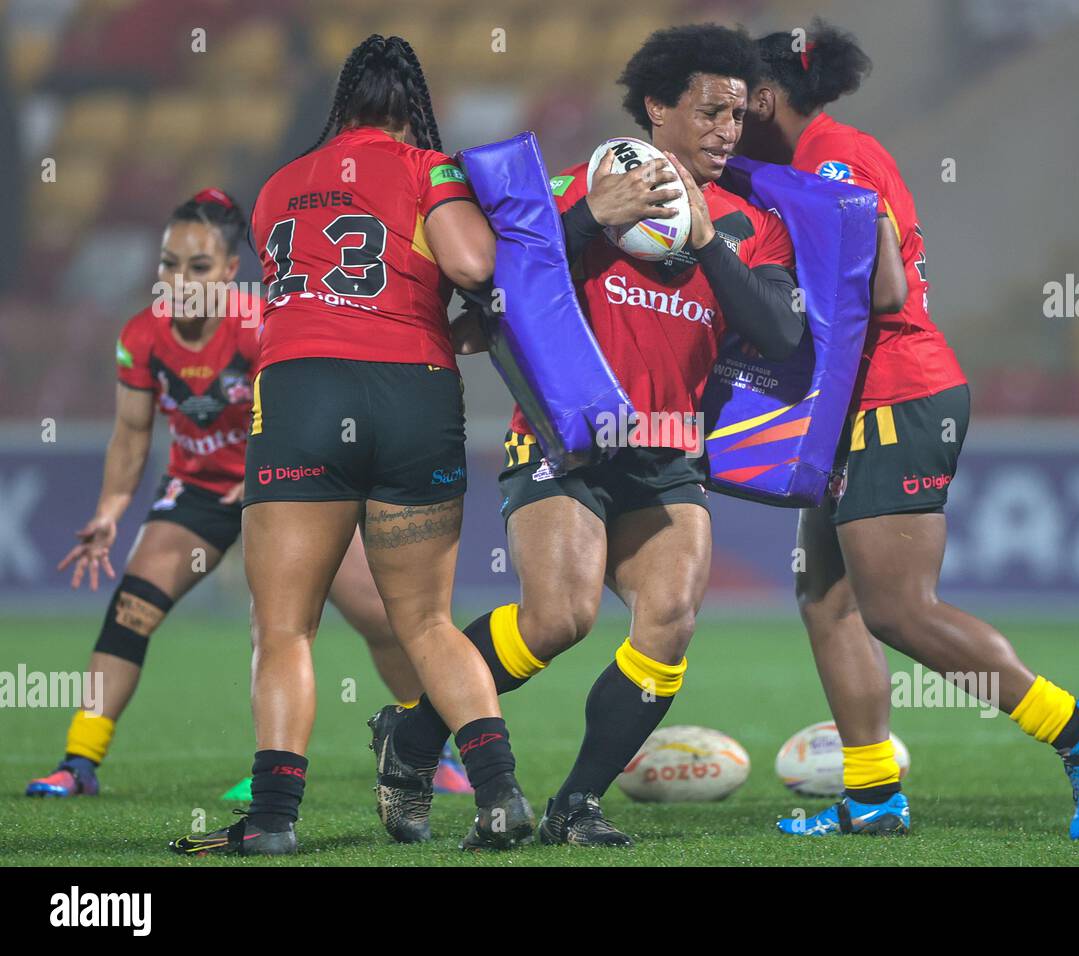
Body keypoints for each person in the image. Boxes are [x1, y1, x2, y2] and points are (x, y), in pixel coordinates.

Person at [374, 23, 805, 847]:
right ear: (656, 106)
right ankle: (416, 732)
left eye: (740, 116)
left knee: (670, 614)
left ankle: (576, 806)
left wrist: (711, 242)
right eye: (710, 110)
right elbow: (494, 283)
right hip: (562, 439)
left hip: (669, 449)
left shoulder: (754, 221)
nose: (727, 130)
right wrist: (586, 221)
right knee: (558, 617)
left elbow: (779, 335)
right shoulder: (576, 184)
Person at [738, 20, 1079, 840]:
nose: (730, 121)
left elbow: (878, 287)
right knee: (826, 599)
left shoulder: (830, 157)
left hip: (896, 393)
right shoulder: (818, 156)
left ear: (767, 97)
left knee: (899, 610)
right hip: (856, 404)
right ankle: (875, 796)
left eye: (739, 105)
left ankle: (1074, 725)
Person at [170, 35, 530, 857]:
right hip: (413, 393)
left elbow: (305, 286)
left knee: (286, 628)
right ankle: (500, 795)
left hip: (301, 393)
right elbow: (475, 265)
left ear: (341, 104)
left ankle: (270, 821)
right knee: (429, 623)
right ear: (413, 108)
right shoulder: (427, 167)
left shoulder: (278, 186)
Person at [23, 189, 466, 800]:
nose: (178, 278)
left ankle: (426, 753)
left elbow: (308, 409)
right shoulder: (141, 337)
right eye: (168, 263)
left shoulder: (262, 325)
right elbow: (130, 436)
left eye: (197, 266)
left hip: (291, 488)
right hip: (201, 492)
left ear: (231, 272)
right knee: (131, 610)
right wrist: (110, 509)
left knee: (381, 618)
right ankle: (78, 763)